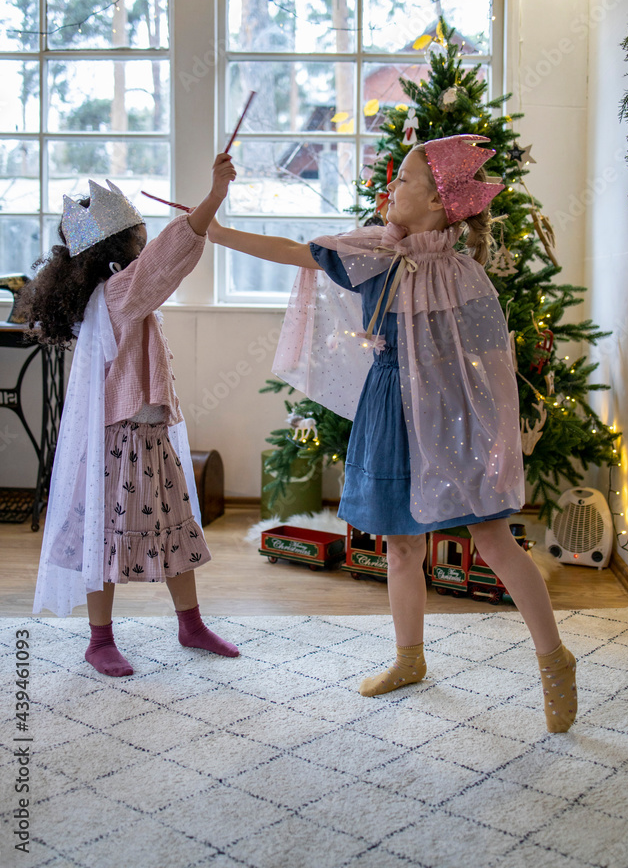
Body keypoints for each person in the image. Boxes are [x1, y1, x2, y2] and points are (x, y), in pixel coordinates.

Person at [208, 135, 577, 733]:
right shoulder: (373, 252)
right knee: (401, 543)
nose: (390, 187)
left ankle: (555, 661)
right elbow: (292, 251)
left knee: (492, 537)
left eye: (403, 179)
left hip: (452, 417)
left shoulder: (465, 276)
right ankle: (409, 658)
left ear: (437, 201)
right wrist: (215, 230)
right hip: (388, 410)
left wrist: (493, 441)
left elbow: (491, 372)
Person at [22, 155, 240, 677]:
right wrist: (212, 198)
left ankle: (190, 624)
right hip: (121, 438)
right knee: (105, 535)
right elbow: (171, 256)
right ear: (121, 245)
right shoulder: (120, 292)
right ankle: (100, 640)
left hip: (145, 432)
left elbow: (162, 260)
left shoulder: (112, 292)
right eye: (139, 232)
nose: (146, 238)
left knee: (174, 530)